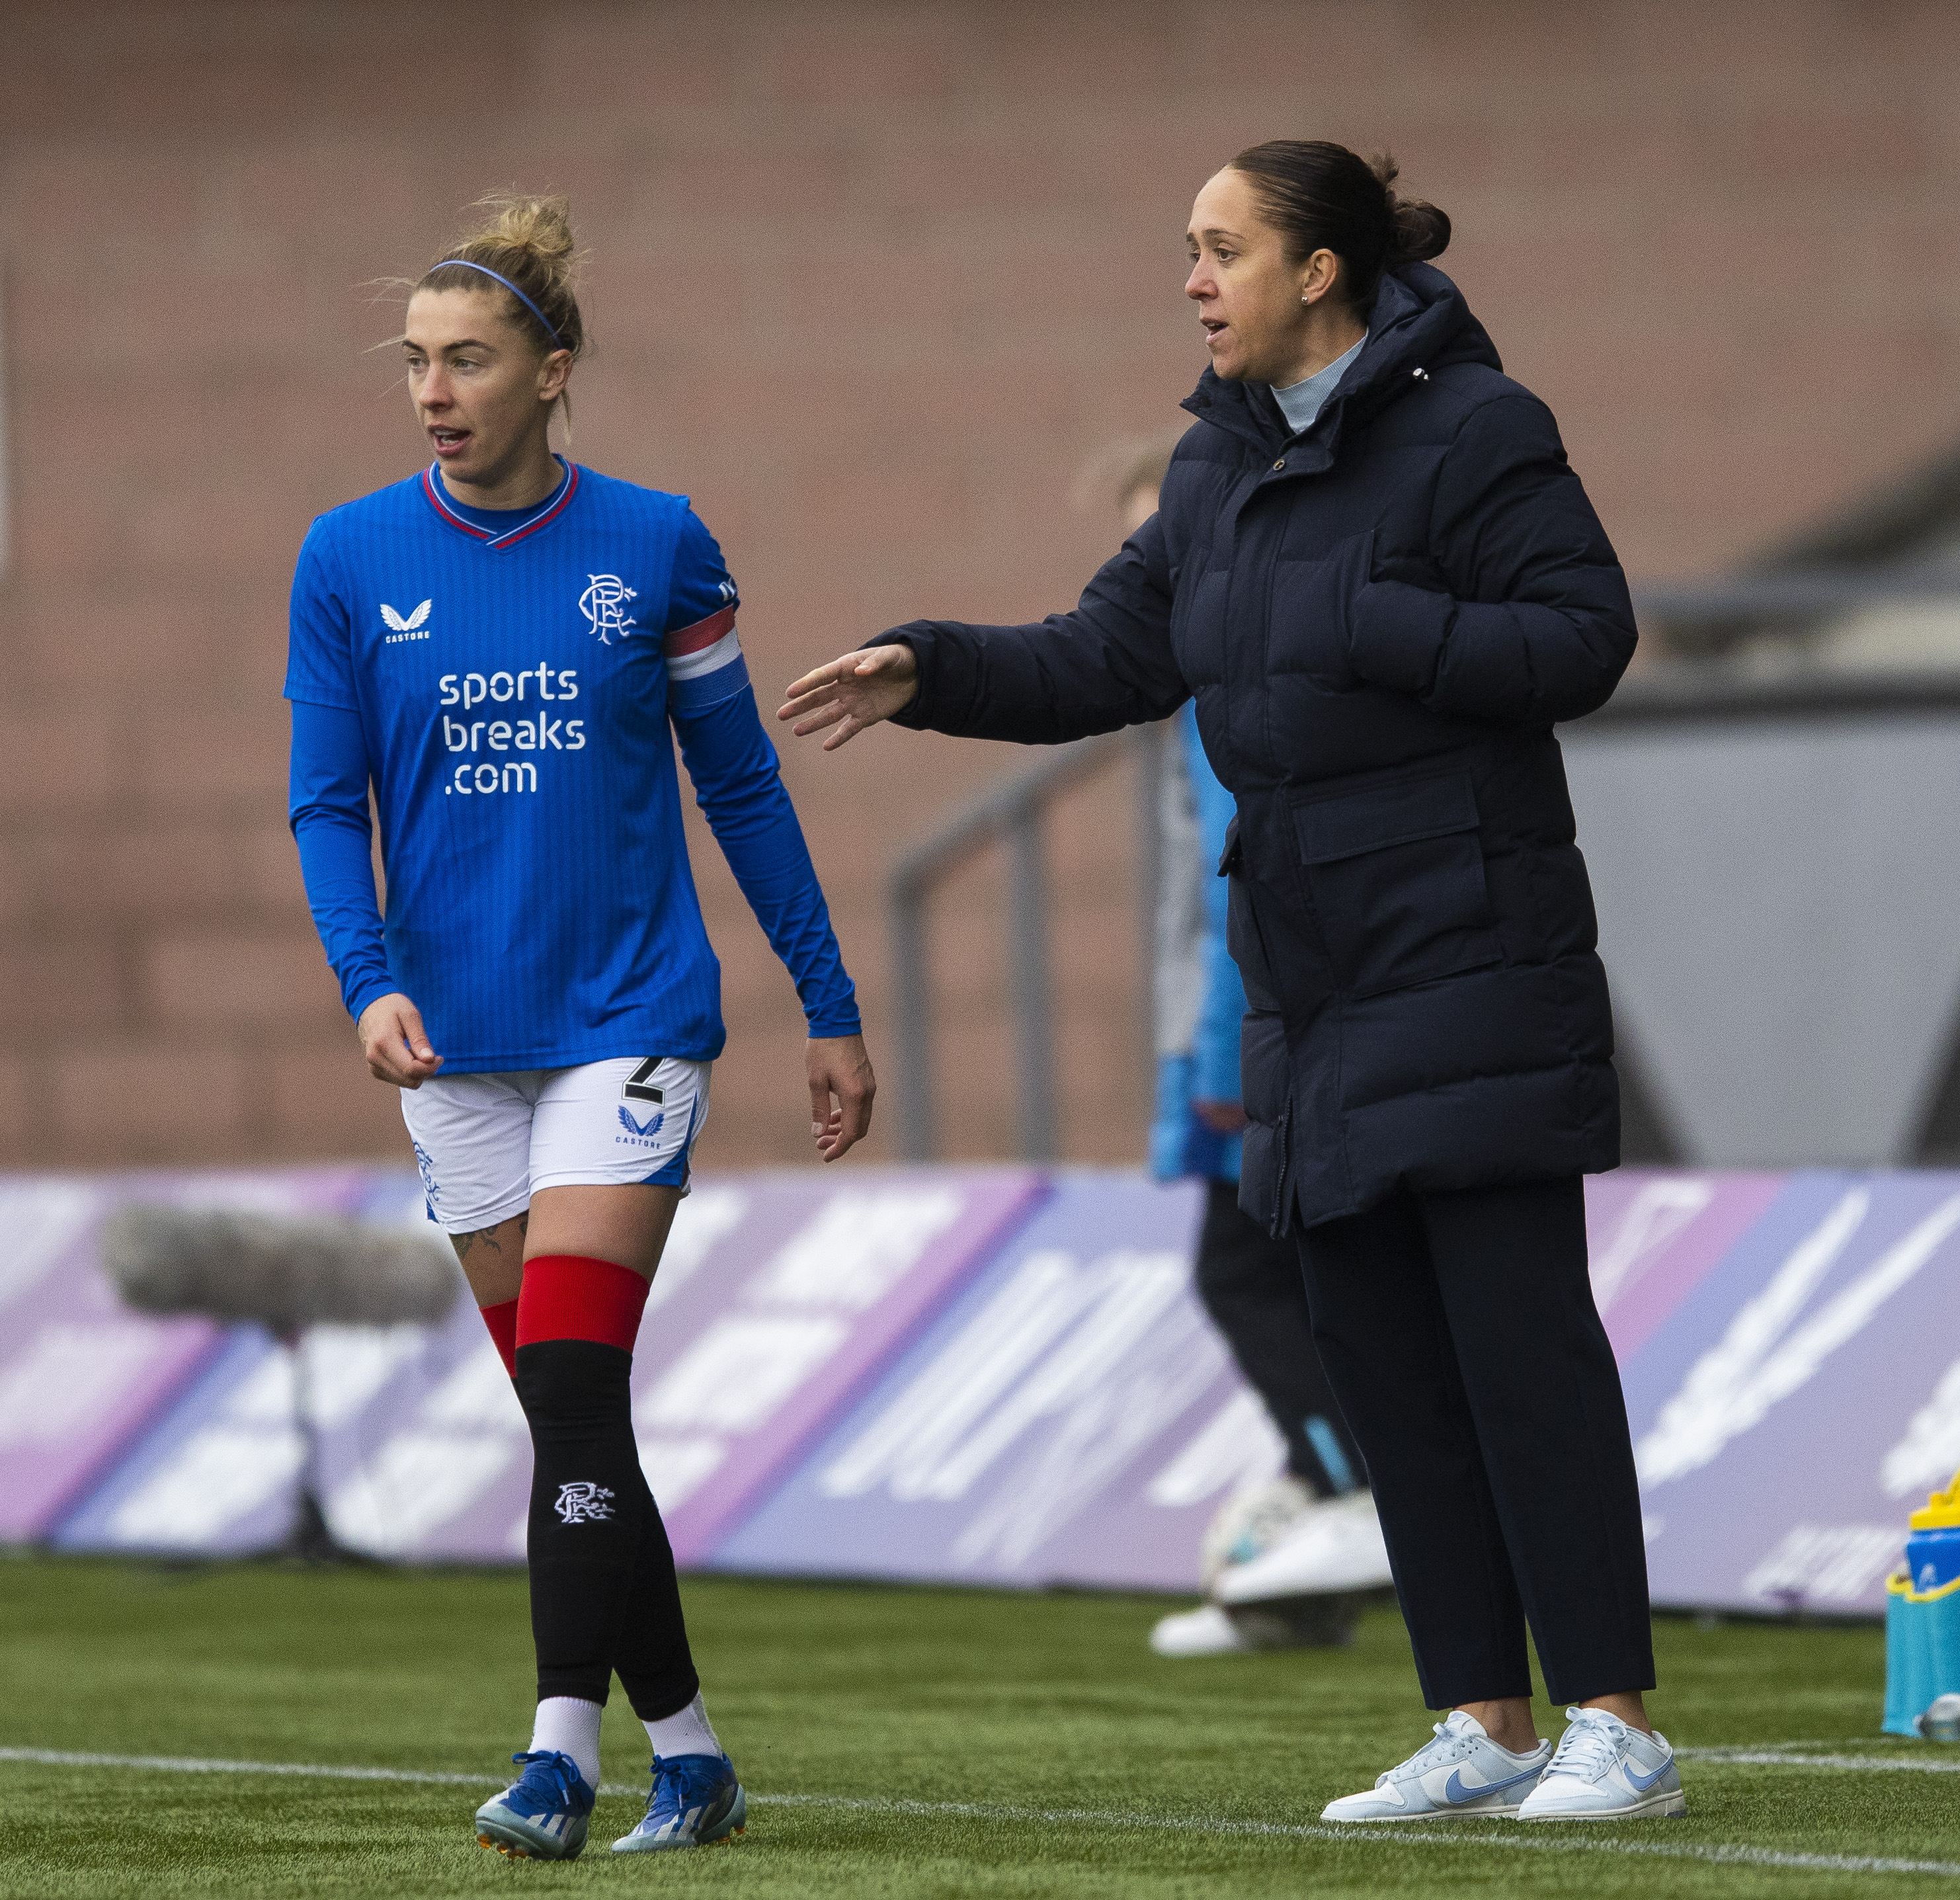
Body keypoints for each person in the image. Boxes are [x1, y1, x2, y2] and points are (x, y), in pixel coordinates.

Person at [778, 141, 1681, 1823]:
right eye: (1186, 252)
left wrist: (1379, 621)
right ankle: (1484, 1725)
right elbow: (1107, 655)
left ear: (1318, 271)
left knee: (1519, 1357)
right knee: (1388, 1371)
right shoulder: (1213, 470)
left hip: (1471, 952)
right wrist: (934, 667)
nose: (1191, 281)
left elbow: (1584, 639)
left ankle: (1615, 1725)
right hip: (1311, 987)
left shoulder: (1479, 427)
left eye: (1219, 249)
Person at [286, 193, 876, 1860]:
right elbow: (327, 805)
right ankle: (690, 1751)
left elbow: (743, 788)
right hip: (450, 1042)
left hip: (630, 1024)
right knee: (575, 1422)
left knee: (567, 1373)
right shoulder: (346, 559)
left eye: (467, 359)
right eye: (414, 364)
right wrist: (364, 977)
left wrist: (827, 1006)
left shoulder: (657, 542)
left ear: (555, 372)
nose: (433, 391)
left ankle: (558, 1756)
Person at [1111, 444, 1387, 1661]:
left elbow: (1241, 878)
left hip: (1266, 1039)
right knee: (1297, 1279)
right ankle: (1303, 1570)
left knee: (1247, 1273)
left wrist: (1223, 1057)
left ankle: (1351, 1495)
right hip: (1245, 1036)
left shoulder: (1232, 691)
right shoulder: (1190, 693)